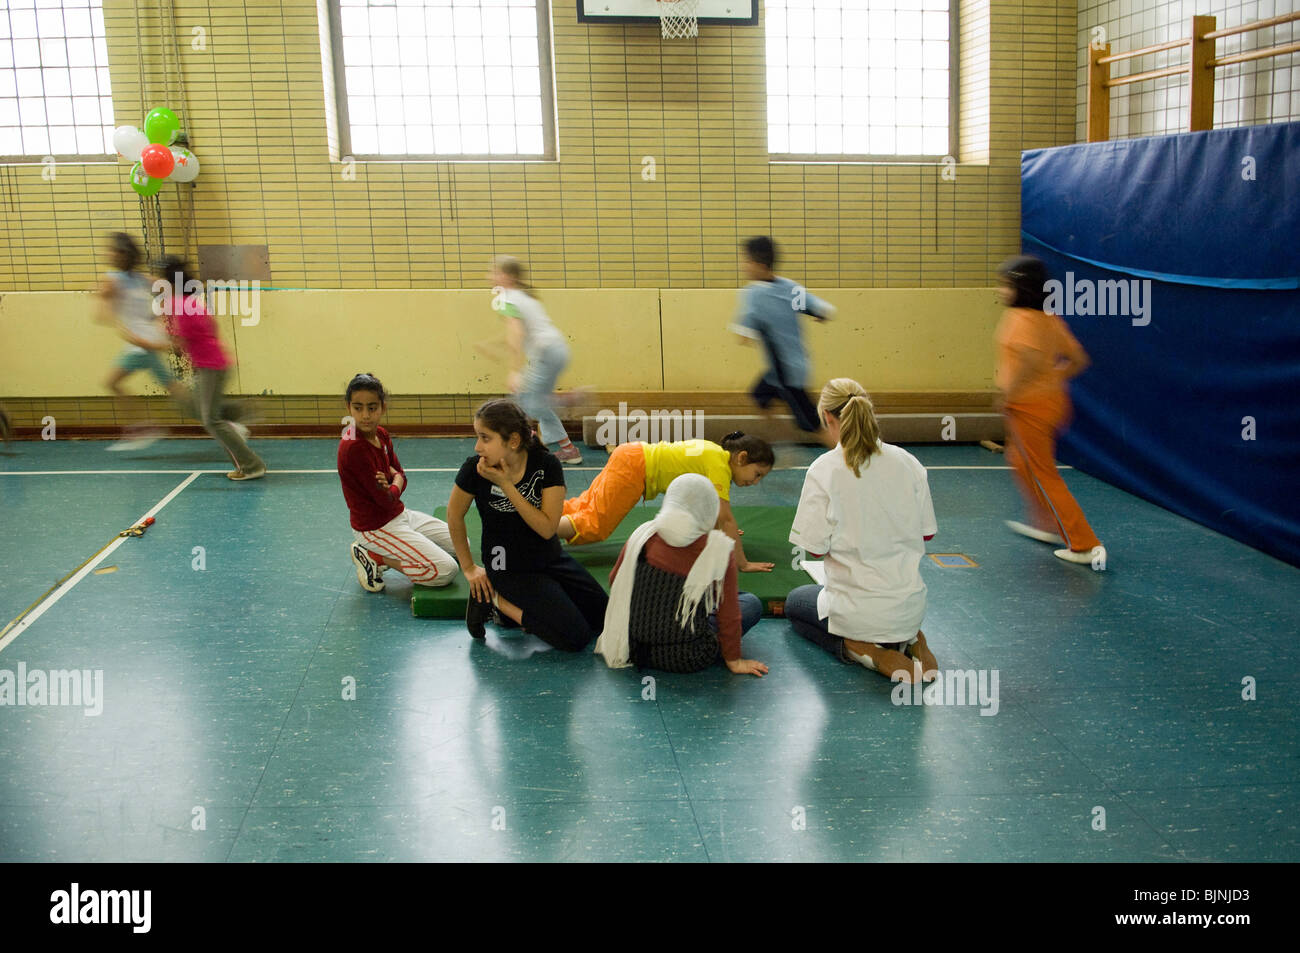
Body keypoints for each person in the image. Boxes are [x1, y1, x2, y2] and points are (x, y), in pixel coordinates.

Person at [786, 378, 939, 684]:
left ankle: (861, 649)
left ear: (828, 418)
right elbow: (926, 534)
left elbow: (814, 548)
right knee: (890, 611)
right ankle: (911, 639)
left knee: (796, 603)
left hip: (856, 612)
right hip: (908, 607)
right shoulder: (909, 462)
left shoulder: (824, 469)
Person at [448, 398, 608, 651]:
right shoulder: (474, 470)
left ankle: (513, 609)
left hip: (549, 558)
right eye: (477, 437)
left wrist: (506, 486)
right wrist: (468, 567)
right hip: (508, 567)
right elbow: (454, 515)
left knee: (604, 619)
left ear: (513, 441)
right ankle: (497, 601)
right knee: (574, 638)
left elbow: (546, 528)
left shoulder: (546, 465)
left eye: (485, 438)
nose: (478, 447)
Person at [995, 256, 1107, 570]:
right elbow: (1078, 359)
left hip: (1029, 407)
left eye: (1005, 284)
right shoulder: (1049, 318)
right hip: (1052, 402)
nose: (1000, 290)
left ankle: (1085, 544)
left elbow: (1029, 362)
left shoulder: (1019, 319)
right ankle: (1046, 523)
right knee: (1019, 460)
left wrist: (1009, 394)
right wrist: (1053, 378)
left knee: (1044, 473)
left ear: (1020, 286)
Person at [597, 474, 767, 676]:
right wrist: (734, 660)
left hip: (632, 647)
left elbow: (615, 579)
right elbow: (728, 615)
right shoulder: (718, 549)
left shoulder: (644, 534)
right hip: (687, 655)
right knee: (750, 603)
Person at [558, 432, 776, 572]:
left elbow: (697, 503)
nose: (755, 482)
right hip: (635, 466)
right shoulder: (720, 467)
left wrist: (717, 529)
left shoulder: (715, 453)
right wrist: (742, 564)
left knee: (584, 506)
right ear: (741, 458)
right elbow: (725, 518)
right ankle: (538, 527)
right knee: (596, 525)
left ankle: (543, 514)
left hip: (632, 454)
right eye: (757, 474)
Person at [339, 373, 458, 593]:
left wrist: (396, 481)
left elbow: (401, 476)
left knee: (462, 545)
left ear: (382, 407)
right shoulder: (353, 448)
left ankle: (406, 548)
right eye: (358, 408)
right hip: (375, 527)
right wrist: (396, 482)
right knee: (445, 570)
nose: (365, 415)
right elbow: (386, 498)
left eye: (372, 408)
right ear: (349, 408)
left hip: (399, 515)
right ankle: (375, 556)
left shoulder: (382, 435)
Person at [155, 256, 265, 480]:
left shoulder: (179, 304)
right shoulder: (192, 301)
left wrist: (145, 340)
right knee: (205, 411)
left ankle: (251, 465)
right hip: (213, 364)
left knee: (210, 419)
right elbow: (207, 332)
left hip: (211, 366)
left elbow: (178, 342)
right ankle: (236, 412)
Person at [730, 236, 835, 445]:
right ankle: (783, 442)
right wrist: (817, 315)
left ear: (759, 265)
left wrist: (754, 331)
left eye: (747, 261)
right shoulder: (790, 288)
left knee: (813, 425)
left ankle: (850, 458)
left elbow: (743, 335)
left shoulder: (754, 294)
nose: (744, 266)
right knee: (759, 397)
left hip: (786, 374)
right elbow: (824, 310)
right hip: (791, 367)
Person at [95, 232, 190, 450]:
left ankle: (142, 428)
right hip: (146, 338)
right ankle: (221, 418)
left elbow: (101, 316)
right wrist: (157, 317)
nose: (107, 253)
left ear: (121, 254)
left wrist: (102, 299)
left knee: (111, 383)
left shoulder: (111, 280)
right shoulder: (141, 278)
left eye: (111, 249)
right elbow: (170, 288)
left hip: (139, 343)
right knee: (175, 388)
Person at [488, 255, 584, 464]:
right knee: (530, 400)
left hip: (547, 353)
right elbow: (520, 331)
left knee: (529, 400)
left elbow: (517, 333)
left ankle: (560, 406)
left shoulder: (507, 298)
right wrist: (491, 345)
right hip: (558, 350)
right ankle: (563, 447)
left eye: (495, 272)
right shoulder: (524, 296)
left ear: (508, 277)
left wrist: (514, 371)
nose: (490, 277)